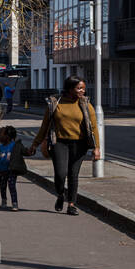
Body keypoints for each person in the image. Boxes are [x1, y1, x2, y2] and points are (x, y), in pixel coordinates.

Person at [28, 76, 100, 215]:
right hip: (59, 142)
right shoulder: (55, 103)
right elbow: (45, 126)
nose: (82, 91)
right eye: (79, 88)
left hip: (80, 144)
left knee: (73, 174)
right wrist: (35, 144)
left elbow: (94, 127)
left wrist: (97, 148)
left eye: (83, 88)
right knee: (60, 174)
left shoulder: (85, 104)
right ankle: (61, 194)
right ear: (69, 89)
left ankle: (71, 204)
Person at [0, 125, 28, 210]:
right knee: (2, 187)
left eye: (1, 135)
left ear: (8, 136)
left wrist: (31, 151)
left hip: (12, 170)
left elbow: (25, 152)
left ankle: (14, 203)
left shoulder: (17, 146)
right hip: (2, 171)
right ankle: (4, 200)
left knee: (12, 186)